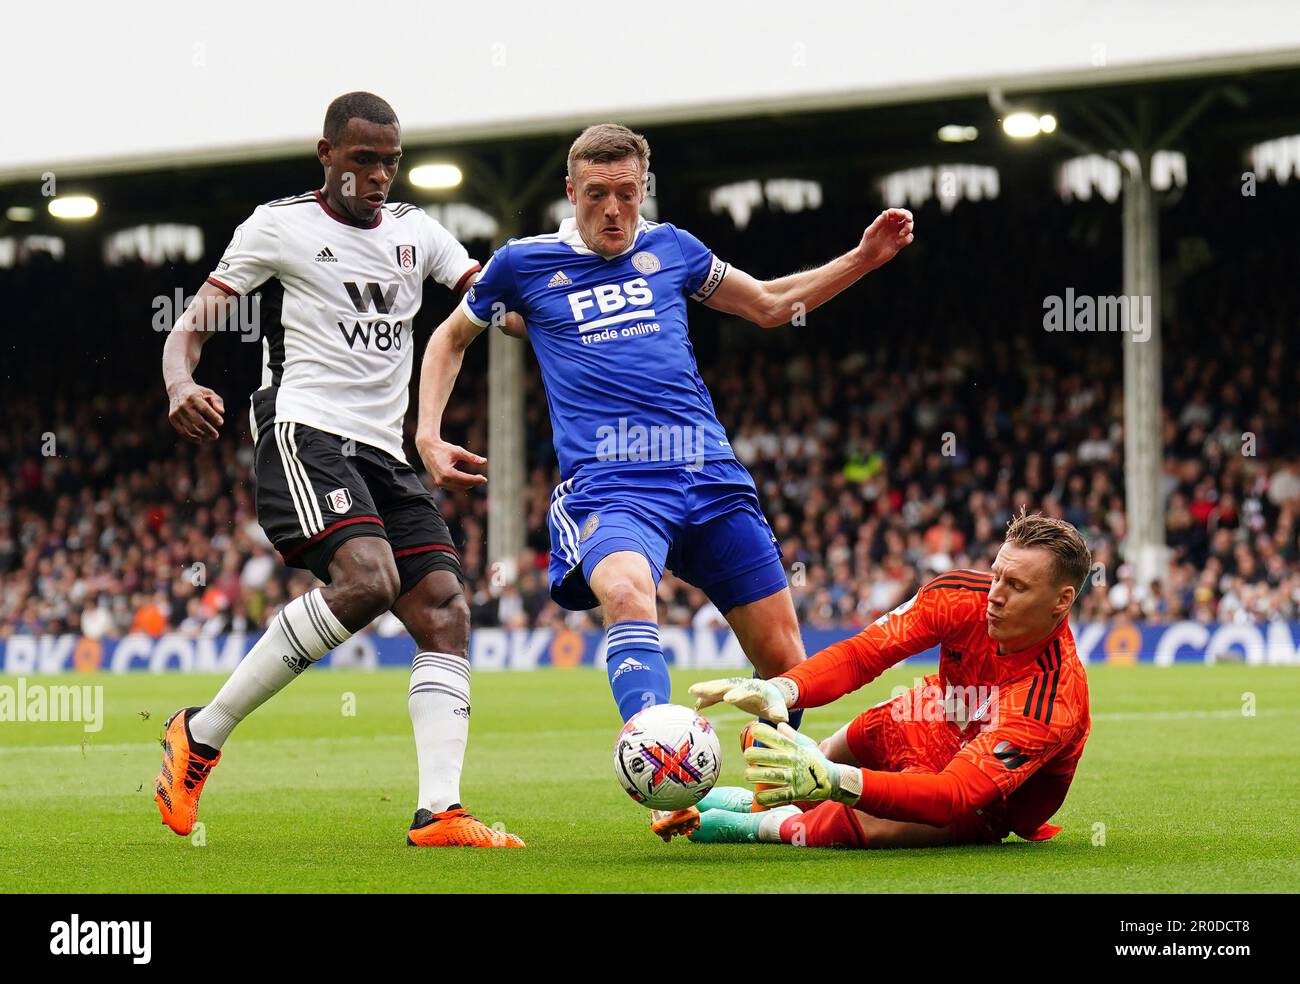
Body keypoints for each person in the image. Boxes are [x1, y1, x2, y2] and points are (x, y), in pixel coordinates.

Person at [415, 124, 912, 825]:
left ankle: (781, 795)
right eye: (597, 196)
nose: (614, 210)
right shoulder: (522, 265)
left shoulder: (672, 247)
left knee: (784, 658)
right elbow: (449, 337)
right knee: (625, 591)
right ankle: (664, 777)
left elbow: (769, 305)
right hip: (613, 485)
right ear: (571, 192)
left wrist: (863, 258)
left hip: (708, 476)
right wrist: (428, 435)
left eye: (627, 193)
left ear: (642, 188)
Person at [155, 91, 523, 848]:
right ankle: (203, 733)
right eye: (363, 161)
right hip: (304, 432)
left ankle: (439, 813)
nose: (378, 177)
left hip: (384, 454)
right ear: (327, 155)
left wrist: (568, 303)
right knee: (368, 579)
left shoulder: (419, 234)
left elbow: (496, 304)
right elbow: (190, 326)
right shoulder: (279, 226)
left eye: (390, 162)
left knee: (446, 611)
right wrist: (180, 384)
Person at [681, 512, 1092, 849]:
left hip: (988, 798)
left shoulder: (1053, 699)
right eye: (997, 575)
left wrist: (836, 781)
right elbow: (864, 653)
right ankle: (771, 800)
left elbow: (955, 793)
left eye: (1016, 586)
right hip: (938, 716)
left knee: (851, 823)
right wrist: (783, 688)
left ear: (1062, 600)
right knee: (836, 750)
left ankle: (768, 826)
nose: (995, 595)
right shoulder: (961, 595)